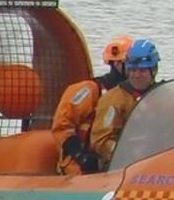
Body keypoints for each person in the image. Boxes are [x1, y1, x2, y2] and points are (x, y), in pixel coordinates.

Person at [51, 35, 132, 175]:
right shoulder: (89, 90)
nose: (135, 70)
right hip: (82, 164)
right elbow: (62, 127)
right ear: (117, 64)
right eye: (131, 64)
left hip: (117, 160)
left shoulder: (133, 95)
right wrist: (80, 157)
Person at [90, 38, 160, 170]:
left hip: (160, 159)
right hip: (122, 166)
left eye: (142, 71)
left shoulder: (164, 95)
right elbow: (101, 141)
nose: (136, 75)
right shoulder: (113, 100)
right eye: (132, 70)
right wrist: (129, 154)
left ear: (154, 70)